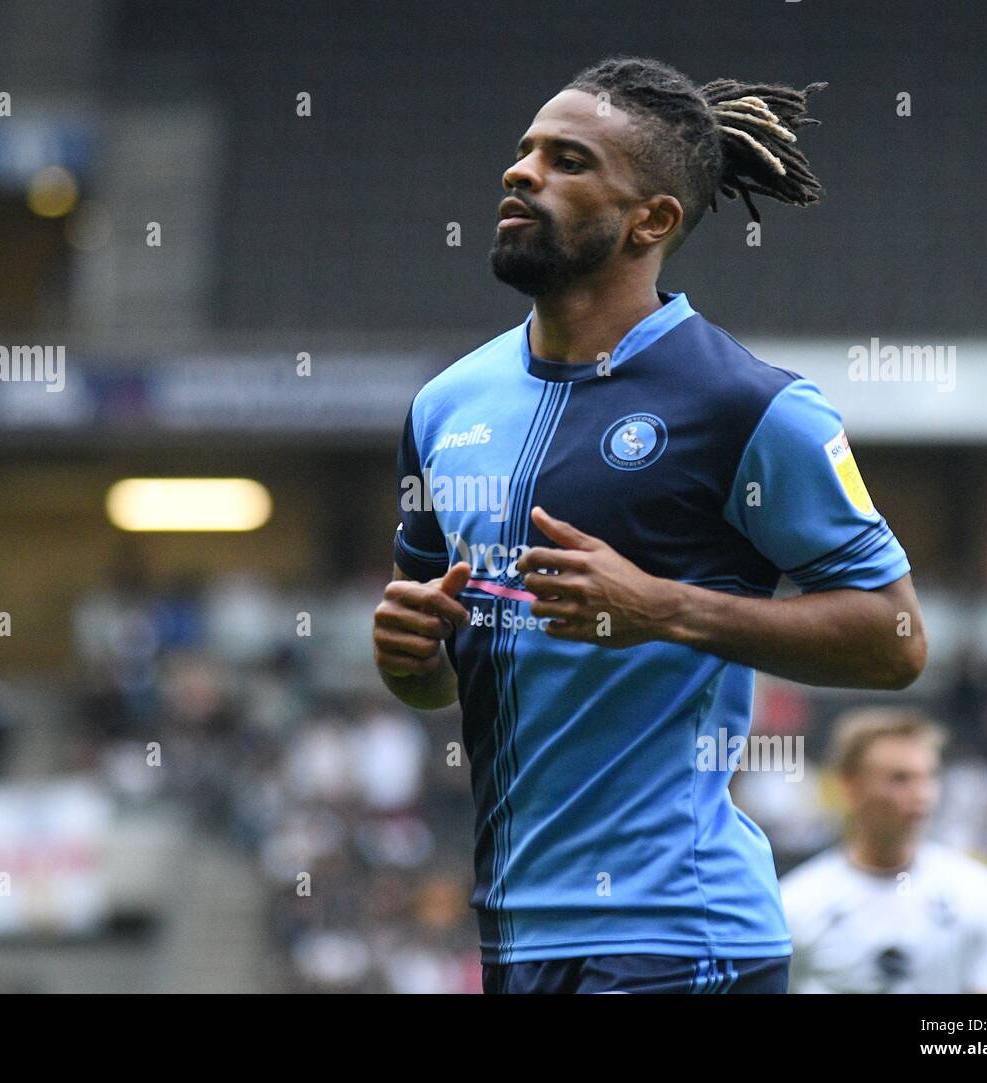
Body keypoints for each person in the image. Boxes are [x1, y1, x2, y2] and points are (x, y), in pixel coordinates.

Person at [372, 56, 926, 994]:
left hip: (681, 932)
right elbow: (437, 671)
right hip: (514, 932)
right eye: (524, 152)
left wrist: (663, 607)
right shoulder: (443, 403)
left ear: (653, 220)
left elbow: (897, 639)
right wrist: (410, 656)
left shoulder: (751, 407)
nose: (521, 172)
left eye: (568, 160)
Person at [781, 708, 987, 993]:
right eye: (900, 779)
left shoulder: (980, 891)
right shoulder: (794, 906)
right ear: (849, 786)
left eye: (929, 776)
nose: (922, 795)